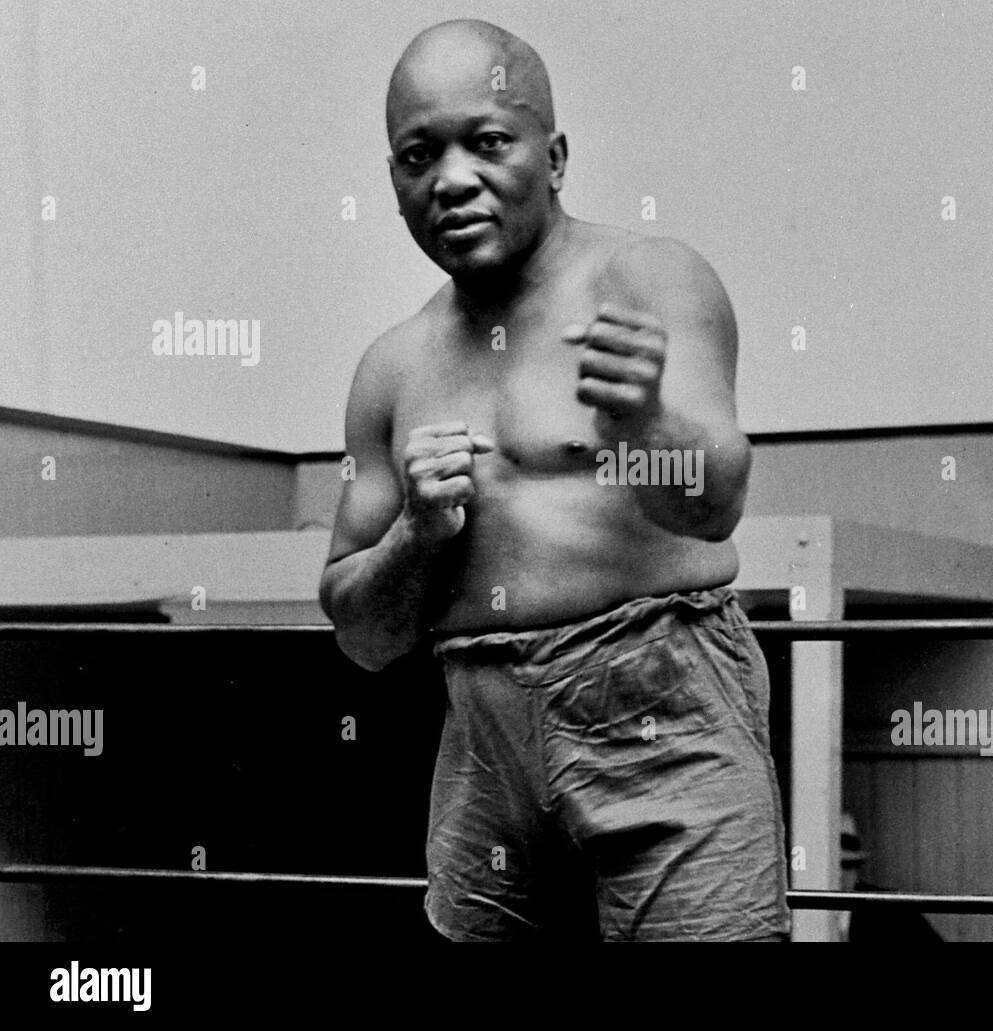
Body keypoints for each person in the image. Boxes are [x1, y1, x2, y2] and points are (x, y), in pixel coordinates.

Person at [319, 18, 790, 941]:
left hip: (661, 703)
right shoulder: (392, 367)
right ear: (395, 184)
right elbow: (362, 635)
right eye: (420, 155)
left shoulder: (652, 279)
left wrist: (644, 424)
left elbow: (717, 503)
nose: (452, 178)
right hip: (482, 730)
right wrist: (418, 532)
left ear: (555, 155)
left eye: (488, 141)